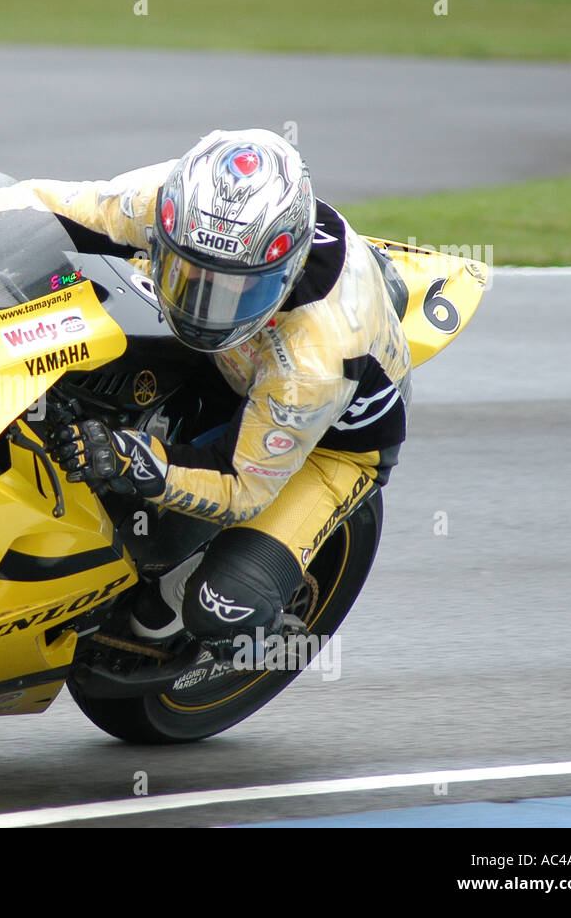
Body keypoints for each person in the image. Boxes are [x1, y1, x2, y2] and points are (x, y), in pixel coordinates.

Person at [32, 129, 411, 645]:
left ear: (286, 270)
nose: (208, 306)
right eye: (191, 274)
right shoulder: (175, 202)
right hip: (232, 362)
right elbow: (48, 208)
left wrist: (128, 458)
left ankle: (187, 589)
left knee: (220, 607)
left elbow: (240, 487)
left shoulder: (313, 360)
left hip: (326, 445)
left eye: (238, 289)